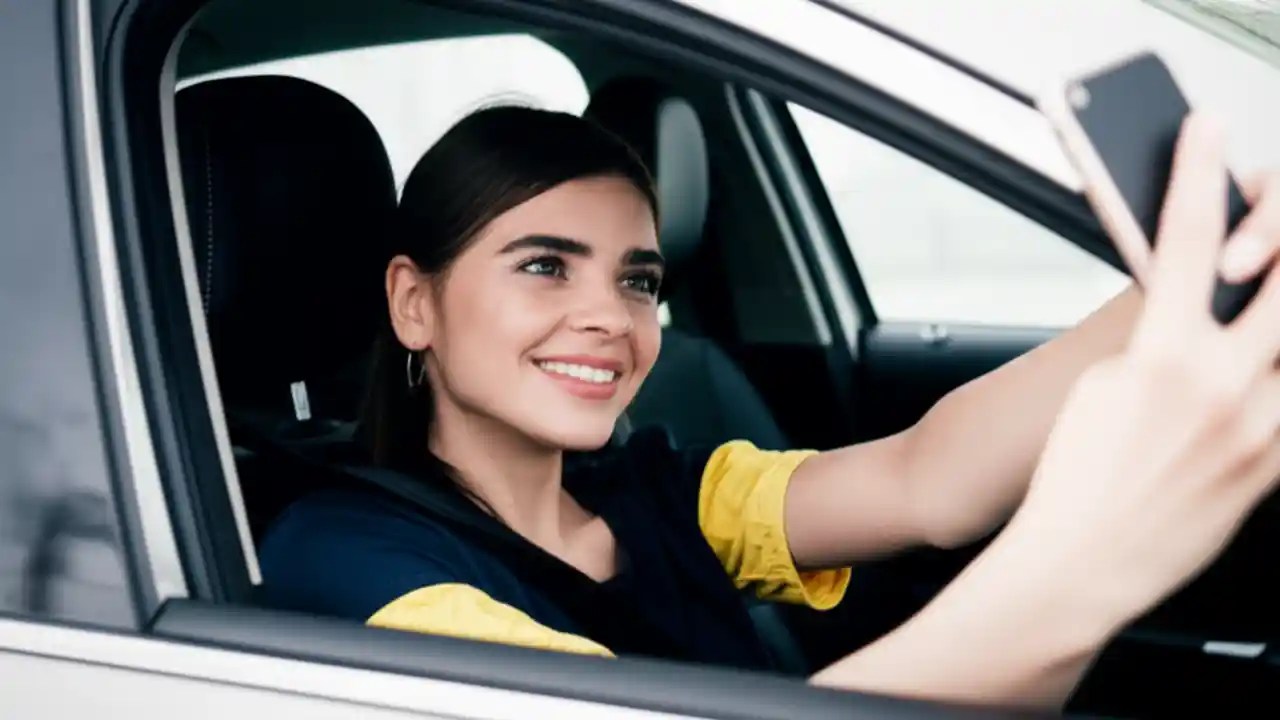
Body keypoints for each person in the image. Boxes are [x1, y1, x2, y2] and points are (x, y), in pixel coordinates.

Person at [258, 104, 1280, 711]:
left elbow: (926, 477)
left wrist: (1194, 279)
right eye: (543, 266)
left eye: (638, 280)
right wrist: (1094, 562)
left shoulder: (658, 489)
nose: (608, 318)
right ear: (412, 301)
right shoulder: (343, 560)